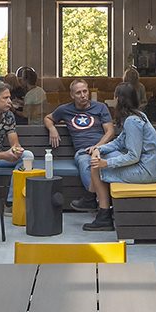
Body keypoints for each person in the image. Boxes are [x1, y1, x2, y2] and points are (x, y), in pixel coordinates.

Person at [82, 81, 156, 232]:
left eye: (114, 96)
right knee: (99, 161)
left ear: (119, 99)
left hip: (147, 171)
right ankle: (92, 199)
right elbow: (119, 143)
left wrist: (105, 163)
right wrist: (98, 148)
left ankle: (103, 215)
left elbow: (133, 156)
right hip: (150, 166)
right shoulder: (137, 116)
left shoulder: (132, 121)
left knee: (96, 168)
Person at [47, 77, 115, 212]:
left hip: (104, 148)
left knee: (117, 162)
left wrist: (98, 146)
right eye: (78, 93)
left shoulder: (100, 107)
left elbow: (110, 131)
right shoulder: (65, 110)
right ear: (72, 95)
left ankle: (93, 199)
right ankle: (100, 201)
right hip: (83, 151)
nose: (83, 95)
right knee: (86, 163)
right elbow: (48, 118)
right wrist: (52, 129)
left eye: (85, 91)